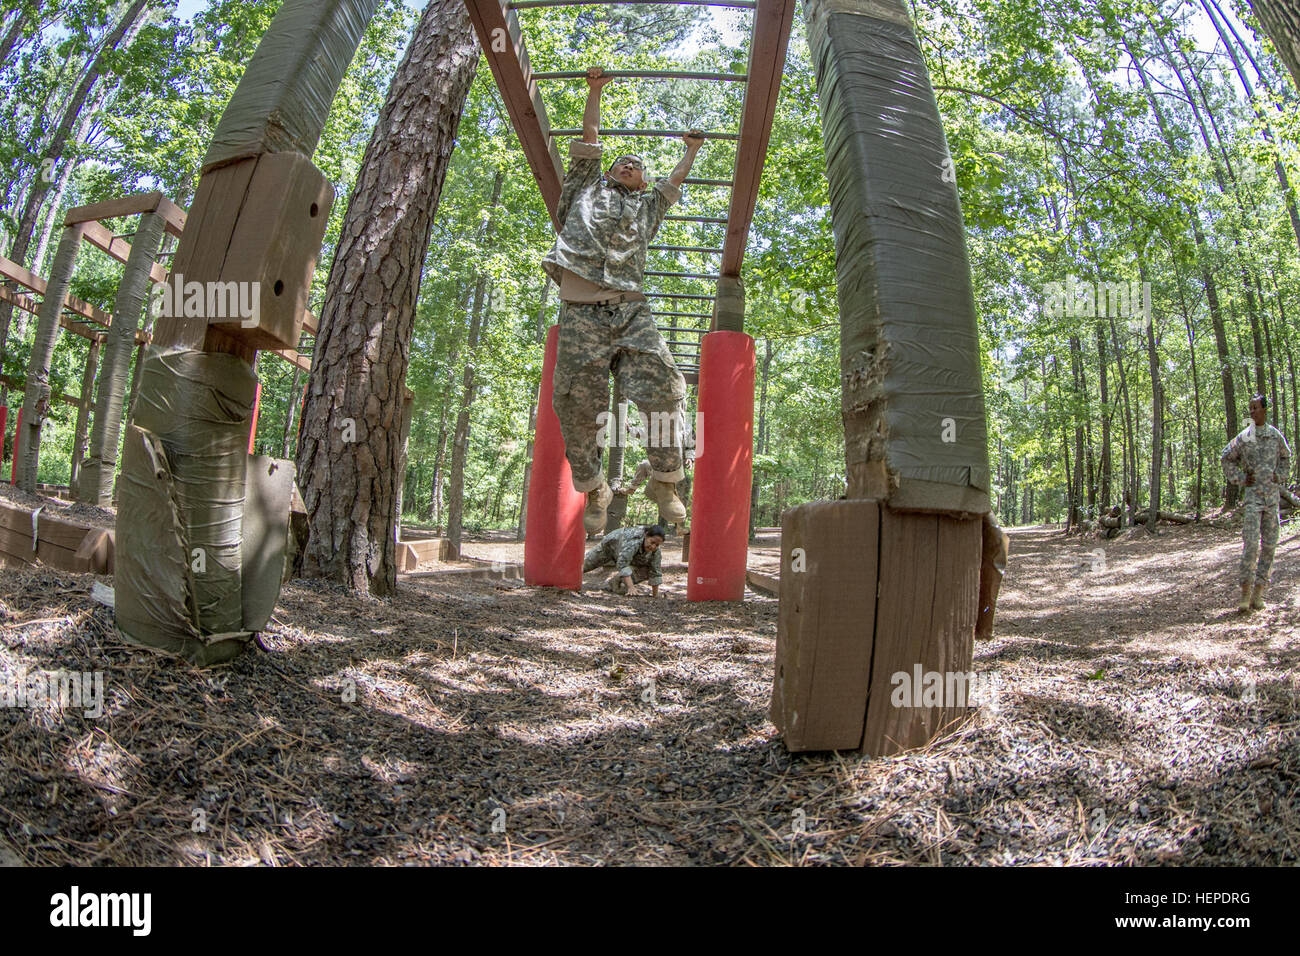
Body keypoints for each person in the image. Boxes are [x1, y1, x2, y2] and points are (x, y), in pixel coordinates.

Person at [542, 66, 705, 534]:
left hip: (631, 308)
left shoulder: (649, 207)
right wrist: (594, 92)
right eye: (622, 161)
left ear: (643, 181)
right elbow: (589, 142)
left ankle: (665, 480)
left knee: (665, 386)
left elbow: (672, 183)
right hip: (581, 313)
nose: (629, 164)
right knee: (575, 398)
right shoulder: (584, 190)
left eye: (638, 165)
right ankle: (595, 487)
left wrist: (690, 150)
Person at [1221, 393, 1292, 611]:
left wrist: (1278, 476)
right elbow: (1226, 457)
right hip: (1252, 500)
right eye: (1250, 408)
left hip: (1271, 500)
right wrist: (1241, 479)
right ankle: (1244, 595)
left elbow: (1286, 458)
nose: (1252, 412)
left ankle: (1258, 594)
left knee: (1269, 547)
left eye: (1255, 408)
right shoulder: (1246, 436)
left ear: (1264, 410)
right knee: (1251, 545)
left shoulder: (1274, 435)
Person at [583, 524, 666, 596]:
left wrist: (655, 596)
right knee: (581, 566)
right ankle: (570, 583)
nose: (653, 547)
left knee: (646, 570)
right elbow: (623, 563)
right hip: (608, 548)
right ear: (646, 535)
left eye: (657, 545)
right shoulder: (634, 542)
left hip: (628, 557)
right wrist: (631, 588)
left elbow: (655, 572)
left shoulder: (655, 552)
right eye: (652, 542)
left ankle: (615, 583)